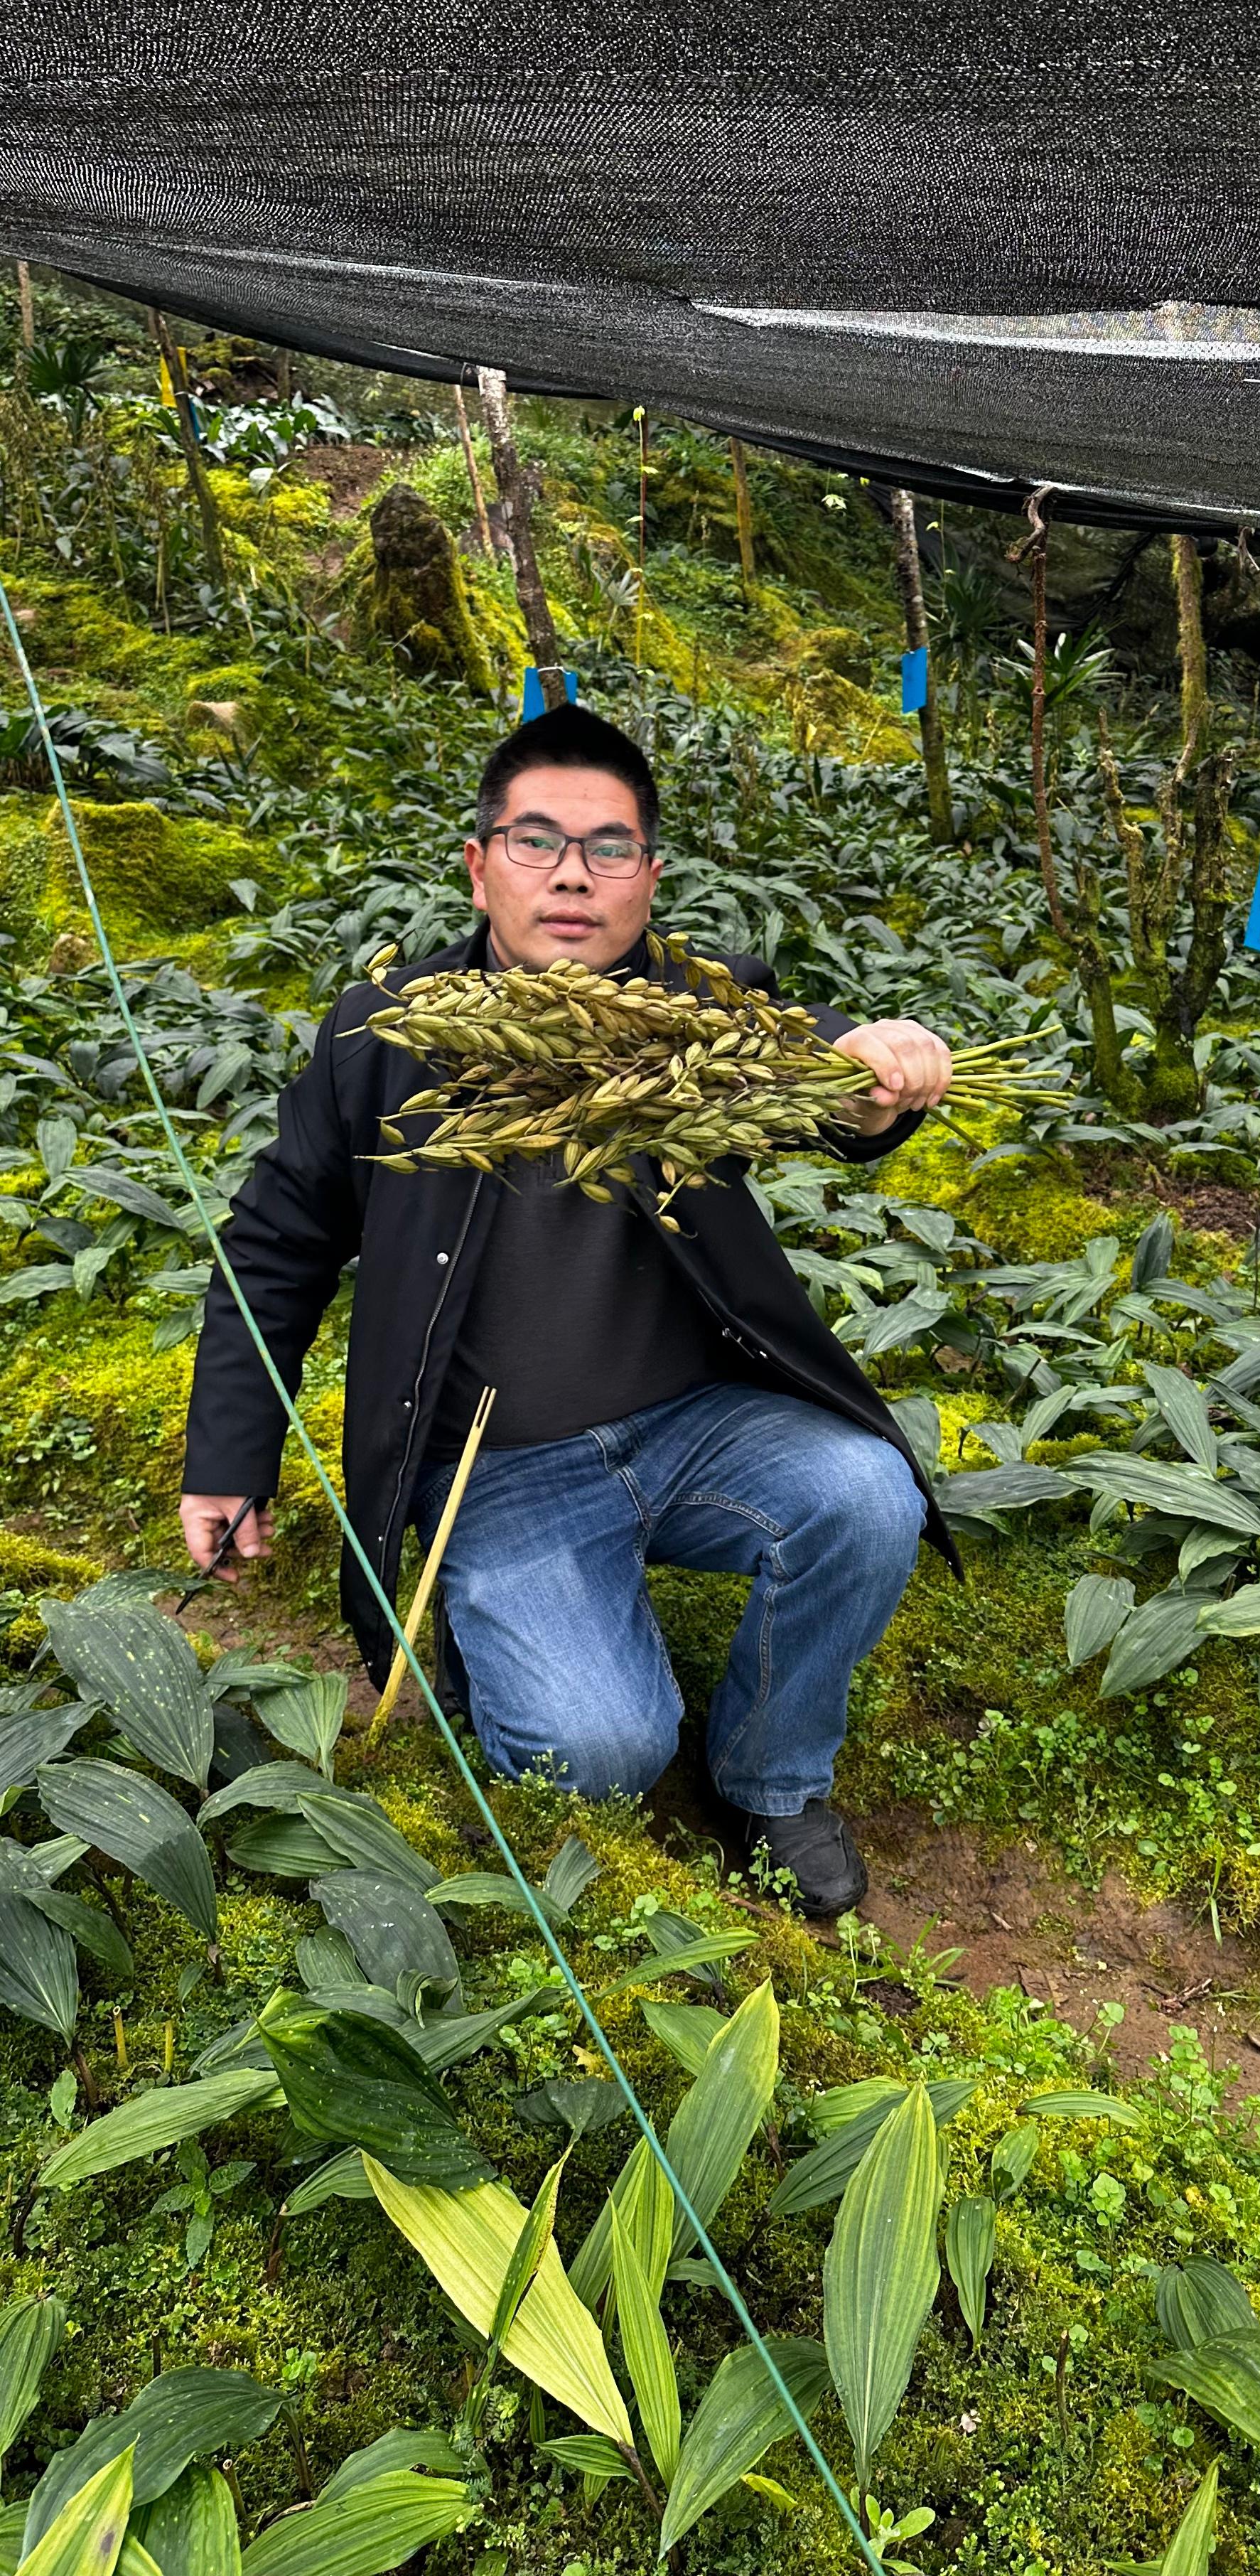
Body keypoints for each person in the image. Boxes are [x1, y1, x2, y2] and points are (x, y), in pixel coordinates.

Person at [181, 703, 959, 1915]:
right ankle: (495, 1627)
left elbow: (813, 1060)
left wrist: (879, 1069)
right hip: (497, 1469)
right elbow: (275, 1246)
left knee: (866, 1495)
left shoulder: (695, 1011)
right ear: (479, 864)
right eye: (536, 841)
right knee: (598, 1756)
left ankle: (771, 1775)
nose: (572, 876)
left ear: (650, 875)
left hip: (694, 1423)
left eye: (609, 848)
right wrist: (231, 1458)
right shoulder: (383, 1036)